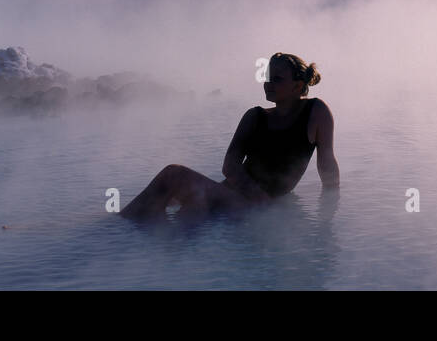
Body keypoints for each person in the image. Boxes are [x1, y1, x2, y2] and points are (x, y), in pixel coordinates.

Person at [120, 53, 339, 221]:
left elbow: (327, 165)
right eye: (266, 78)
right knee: (180, 204)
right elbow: (230, 166)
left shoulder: (315, 112)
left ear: (298, 86)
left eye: (277, 79)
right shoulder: (255, 116)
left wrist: (329, 214)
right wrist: (256, 198)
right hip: (240, 198)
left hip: (254, 203)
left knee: (172, 175)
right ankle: (136, 237)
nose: (268, 84)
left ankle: (119, 228)